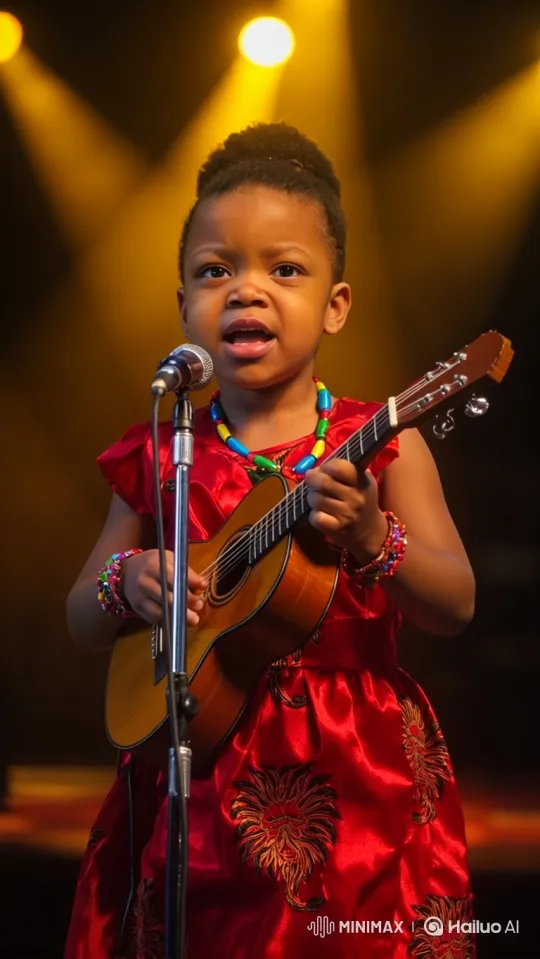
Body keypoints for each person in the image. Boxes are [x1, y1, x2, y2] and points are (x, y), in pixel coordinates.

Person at [64, 122, 477, 959]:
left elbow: (455, 601)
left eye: (284, 269)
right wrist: (130, 577)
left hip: (354, 781)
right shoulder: (160, 452)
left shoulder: (384, 441)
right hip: (192, 770)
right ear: (182, 302)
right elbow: (79, 613)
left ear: (336, 303)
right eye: (216, 271)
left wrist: (372, 537)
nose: (247, 291)